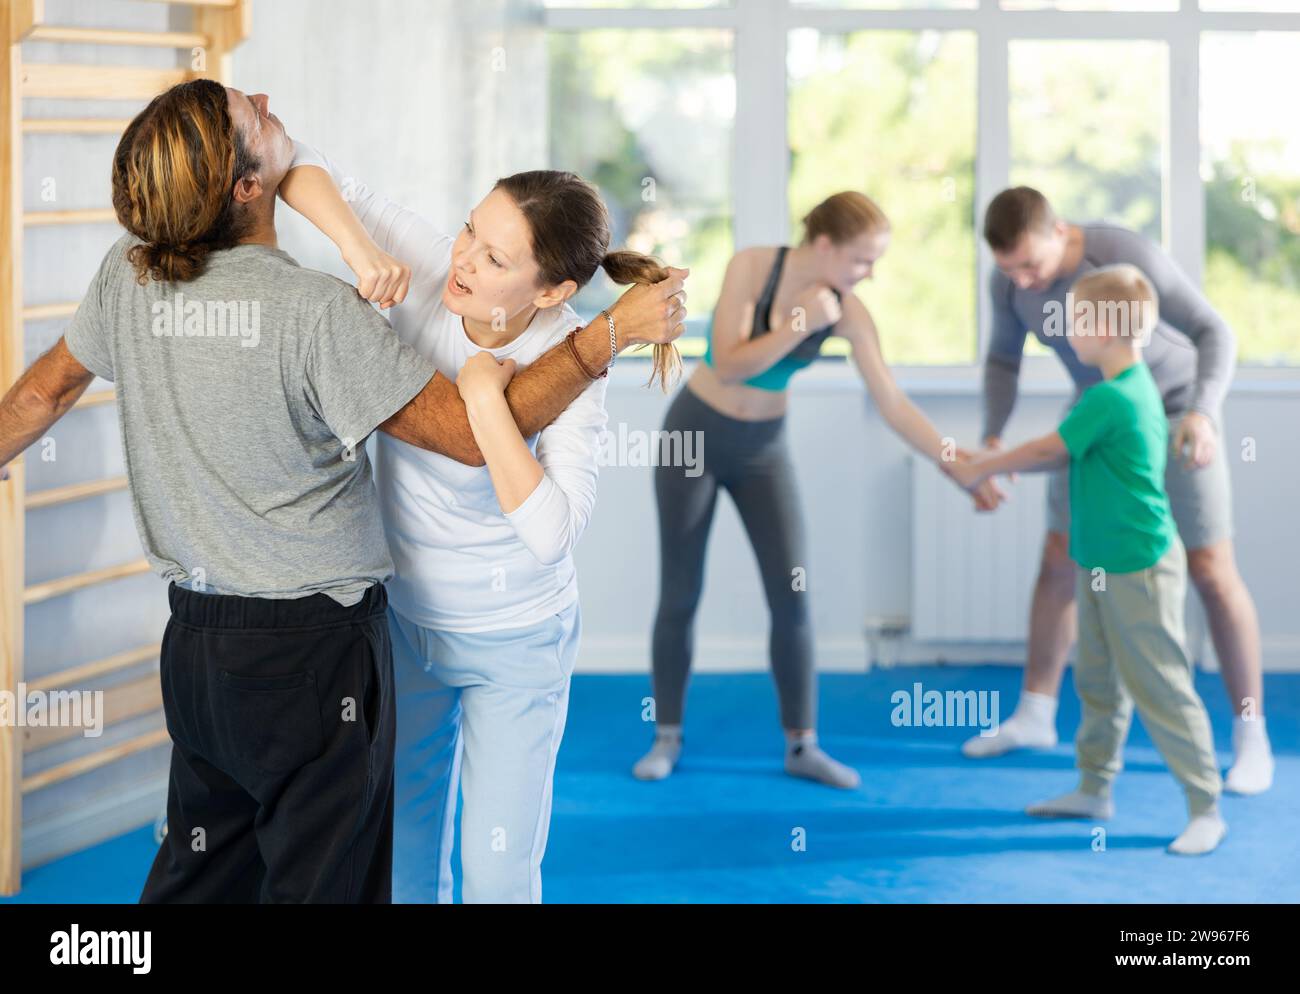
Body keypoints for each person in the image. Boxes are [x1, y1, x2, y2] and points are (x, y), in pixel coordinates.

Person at [0, 80, 686, 903]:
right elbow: (472, 435)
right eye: (251, 114)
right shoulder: (318, 312)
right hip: (320, 649)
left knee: (211, 870)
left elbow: (38, 394)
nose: (265, 94)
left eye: (495, 254)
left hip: (207, 644)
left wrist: (554, 346)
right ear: (245, 188)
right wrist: (594, 339)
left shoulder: (130, 272)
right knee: (339, 875)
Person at [278, 144, 682, 903]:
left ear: (555, 290)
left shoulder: (571, 366)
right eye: (470, 231)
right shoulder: (438, 268)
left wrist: (484, 400)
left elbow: (552, 532)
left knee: (497, 873)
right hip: (404, 622)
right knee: (402, 853)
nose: (464, 261)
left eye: (495, 258)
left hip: (517, 638)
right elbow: (297, 164)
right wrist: (360, 248)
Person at [634, 191, 1004, 789]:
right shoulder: (753, 266)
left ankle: (802, 746)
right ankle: (666, 736)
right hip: (695, 436)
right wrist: (798, 324)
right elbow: (727, 363)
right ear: (825, 246)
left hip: (763, 449)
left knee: (792, 593)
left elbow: (893, 402)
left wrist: (953, 463)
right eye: (862, 261)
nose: (870, 275)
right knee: (680, 593)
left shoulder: (851, 313)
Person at [964, 187, 1272, 796]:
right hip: (1100, 409)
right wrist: (992, 443)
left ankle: (1250, 735)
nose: (1023, 282)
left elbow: (1215, 330)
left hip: (1181, 411)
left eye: (1031, 265)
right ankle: (1035, 713)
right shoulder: (1009, 286)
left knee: (1211, 566)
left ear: (1059, 229)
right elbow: (1003, 363)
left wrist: (1205, 413)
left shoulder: (1120, 255)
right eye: (1009, 270)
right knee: (1061, 553)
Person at [952, 265, 1226, 855]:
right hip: (1099, 563)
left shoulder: (1113, 396)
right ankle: (1094, 787)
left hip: (1140, 568)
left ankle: (1205, 805)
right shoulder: (1120, 389)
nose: (1065, 330)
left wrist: (982, 465)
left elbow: (1051, 449)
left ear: (1102, 328)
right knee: (1099, 680)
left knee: (1161, 684)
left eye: (1073, 319)